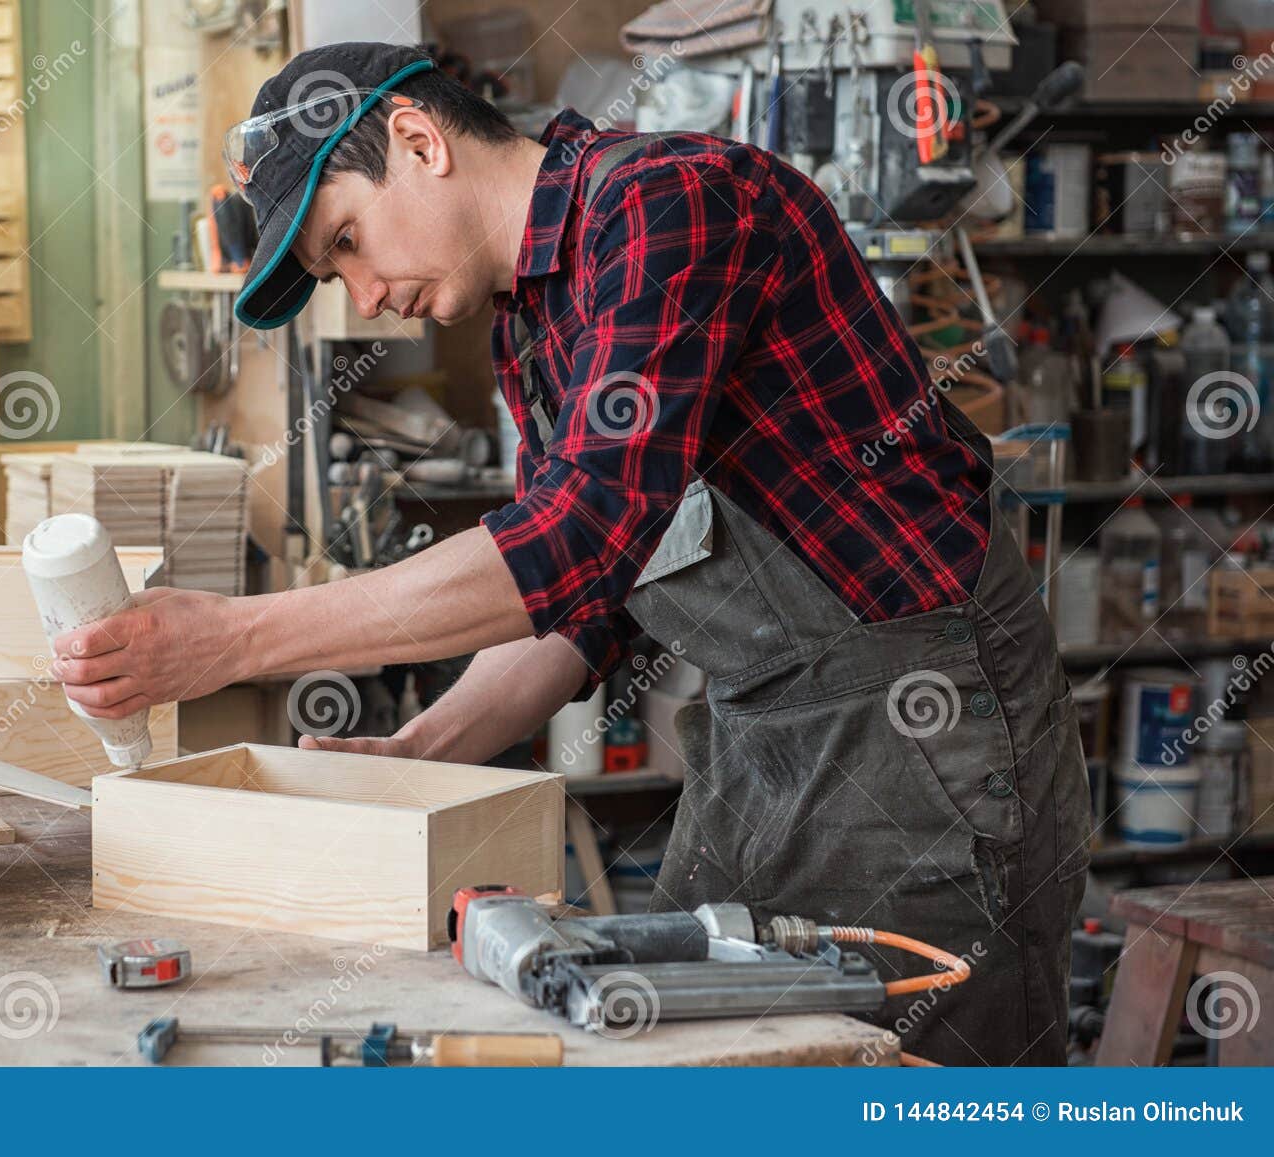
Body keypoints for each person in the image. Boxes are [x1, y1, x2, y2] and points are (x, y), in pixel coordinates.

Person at [54, 42, 1089, 1065]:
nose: (363, 296)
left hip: (923, 725)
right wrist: (423, 749)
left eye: (349, 242)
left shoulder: (668, 206)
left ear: (418, 141)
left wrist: (232, 640)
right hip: (759, 735)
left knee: (921, 1084)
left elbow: (573, 536)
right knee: (684, 1054)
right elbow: (592, 598)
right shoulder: (529, 322)